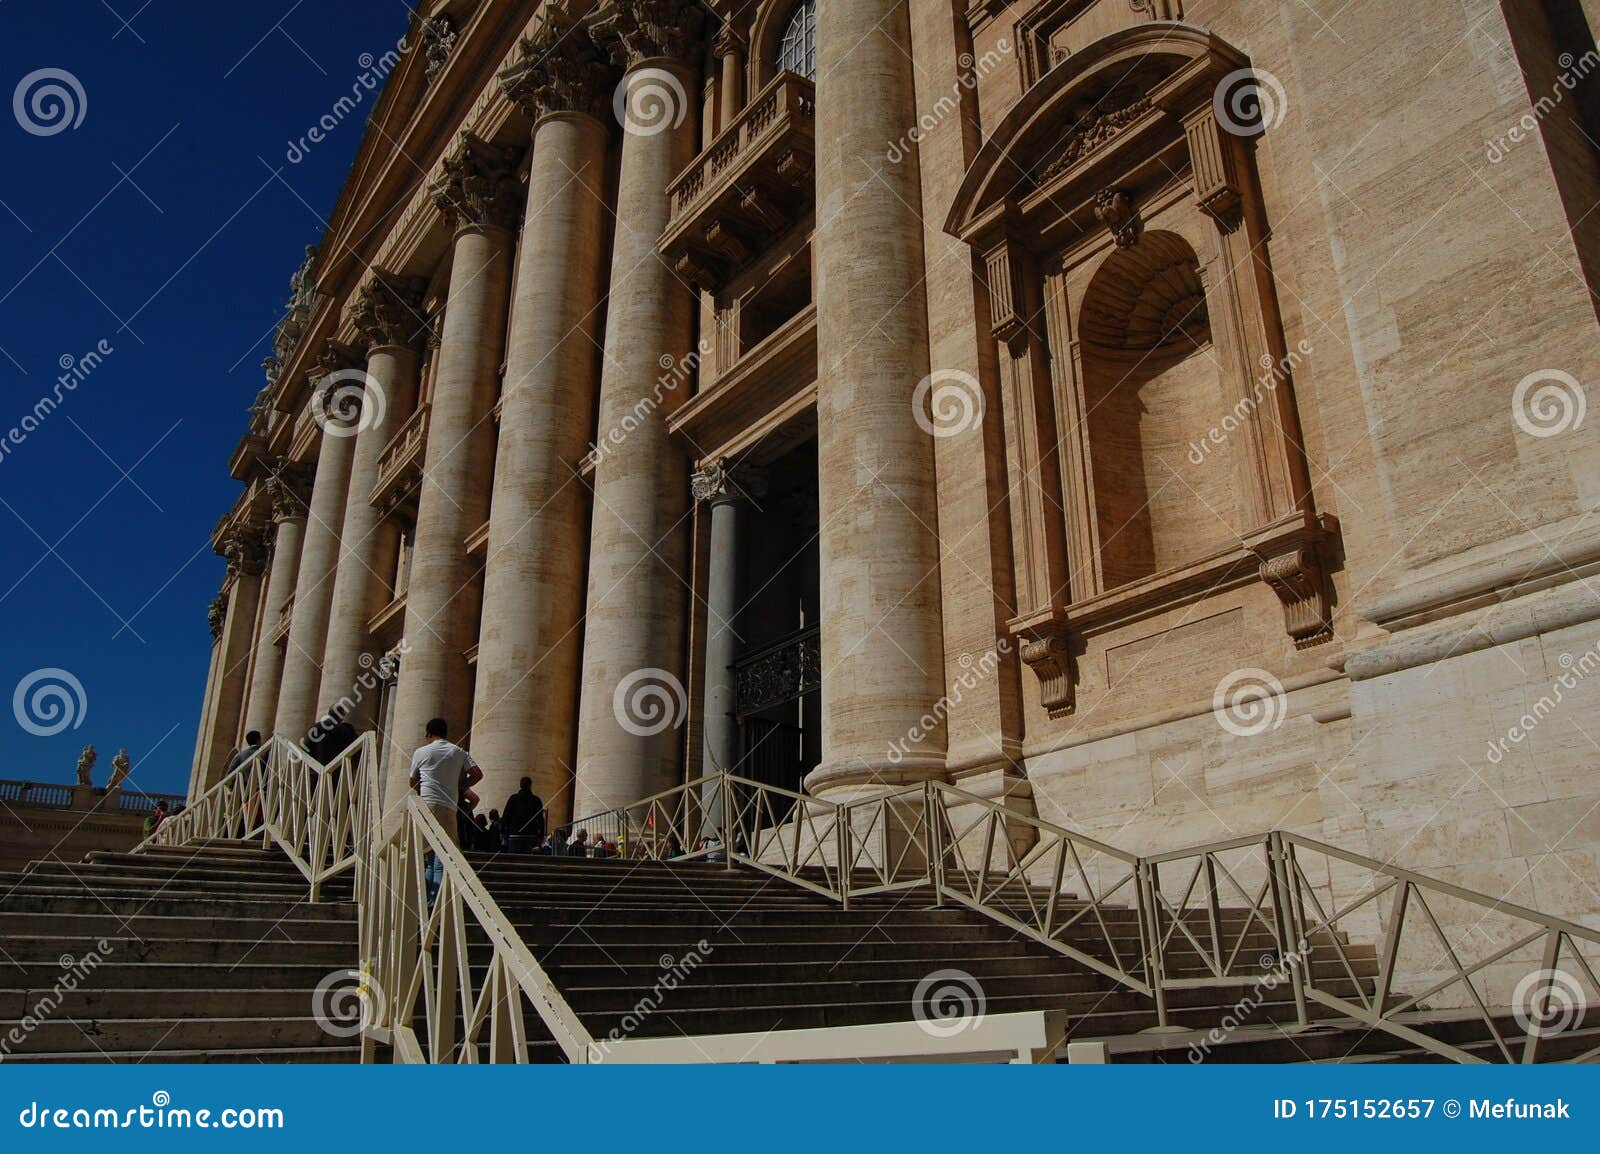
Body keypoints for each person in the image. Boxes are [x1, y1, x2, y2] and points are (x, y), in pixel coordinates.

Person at [407, 718, 481, 901]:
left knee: (429, 857)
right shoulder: (458, 752)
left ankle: (427, 901)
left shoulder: (421, 752)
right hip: (449, 807)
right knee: (443, 857)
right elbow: (478, 774)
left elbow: (412, 781)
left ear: (428, 733)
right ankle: (434, 902)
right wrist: (460, 786)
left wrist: (422, 789)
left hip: (427, 806)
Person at [502, 777, 546, 853]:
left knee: (513, 861)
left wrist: (504, 834)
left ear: (520, 785)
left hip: (514, 835)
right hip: (531, 835)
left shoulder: (513, 798)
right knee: (528, 861)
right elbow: (541, 820)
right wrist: (541, 836)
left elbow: (506, 817)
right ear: (530, 785)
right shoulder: (536, 800)